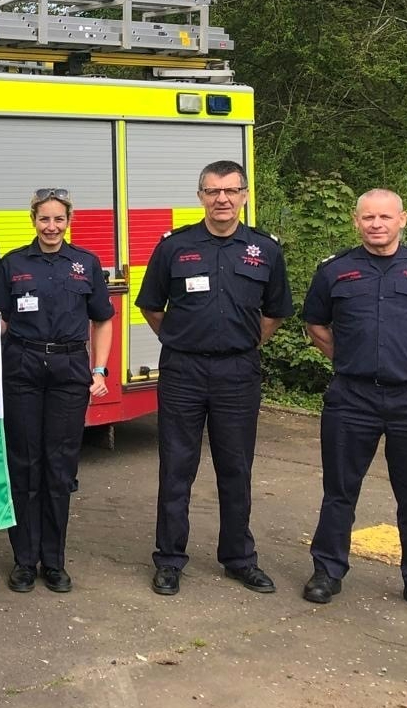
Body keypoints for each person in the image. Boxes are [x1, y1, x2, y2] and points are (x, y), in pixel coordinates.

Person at [300, 189, 407, 619]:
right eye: (368, 217)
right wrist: (347, 359)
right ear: (356, 222)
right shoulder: (335, 271)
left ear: (402, 220)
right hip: (351, 397)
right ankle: (328, 572)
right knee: (339, 490)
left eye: (385, 217)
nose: (377, 224)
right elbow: (315, 324)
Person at [136, 160, 292, 597]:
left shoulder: (265, 250)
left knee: (236, 467)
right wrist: (182, 337)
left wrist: (241, 343)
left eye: (231, 190)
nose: (222, 198)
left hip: (238, 372)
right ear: (200, 196)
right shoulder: (174, 247)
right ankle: (169, 561)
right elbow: (151, 305)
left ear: (244, 195)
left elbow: (276, 311)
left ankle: (239, 559)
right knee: (176, 468)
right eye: (213, 191)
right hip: (183, 371)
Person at [0, 188, 114, 593]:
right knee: (25, 465)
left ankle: (55, 562)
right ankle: (25, 561)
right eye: (44, 219)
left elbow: (103, 320)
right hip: (23, 368)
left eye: (58, 219)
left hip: (68, 371)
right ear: (33, 220)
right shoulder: (12, 264)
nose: (51, 226)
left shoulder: (85, 264)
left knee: (59, 468)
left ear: (68, 221)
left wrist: (98, 369)